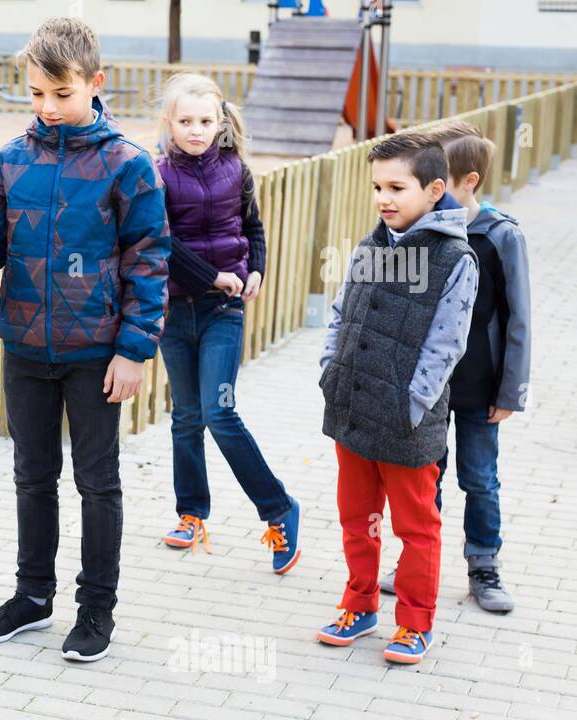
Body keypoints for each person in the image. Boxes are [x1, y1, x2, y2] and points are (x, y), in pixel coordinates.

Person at [0, 17, 169, 662]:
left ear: (95, 84)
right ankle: (32, 598)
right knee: (33, 477)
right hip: (25, 346)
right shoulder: (11, 158)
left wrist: (135, 348)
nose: (48, 108)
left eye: (61, 94)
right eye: (36, 95)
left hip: (95, 355)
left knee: (97, 482)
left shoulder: (128, 166)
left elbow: (149, 262)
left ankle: (96, 609)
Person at [316, 132, 479, 664]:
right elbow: (340, 314)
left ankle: (414, 622)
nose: (384, 198)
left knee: (416, 527)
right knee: (356, 517)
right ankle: (359, 605)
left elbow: (447, 343)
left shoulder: (456, 258)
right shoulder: (369, 246)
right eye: (377, 187)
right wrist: (329, 370)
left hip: (408, 421)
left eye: (397, 187)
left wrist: (414, 402)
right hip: (351, 405)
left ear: (434, 190)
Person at [376, 121, 529, 614]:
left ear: (467, 182)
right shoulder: (420, 234)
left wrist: (511, 393)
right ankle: (417, 564)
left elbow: (518, 318)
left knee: (479, 478)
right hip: (427, 387)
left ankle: (484, 565)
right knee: (425, 477)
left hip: (480, 388)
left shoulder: (500, 236)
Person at [154, 72, 302, 573]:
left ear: (220, 123)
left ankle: (279, 509)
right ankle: (191, 513)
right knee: (186, 416)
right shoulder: (155, 175)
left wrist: (255, 267)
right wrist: (212, 275)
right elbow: (161, 244)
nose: (196, 130)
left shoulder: (236, 170)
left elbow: (252, 226)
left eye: (206, 120)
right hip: (176, 311)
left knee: (219, 412)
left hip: (223, 311)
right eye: (185, 121)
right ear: (169, 123)